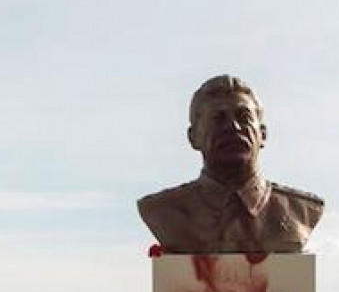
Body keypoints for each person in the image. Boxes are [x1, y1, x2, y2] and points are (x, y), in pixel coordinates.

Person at [137, 75, 324, 254]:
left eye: (244, 118)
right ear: (193, 137)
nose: (233, 127)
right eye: (218, 119)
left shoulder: (301, 211)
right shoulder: (164, 211)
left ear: (263, 134)